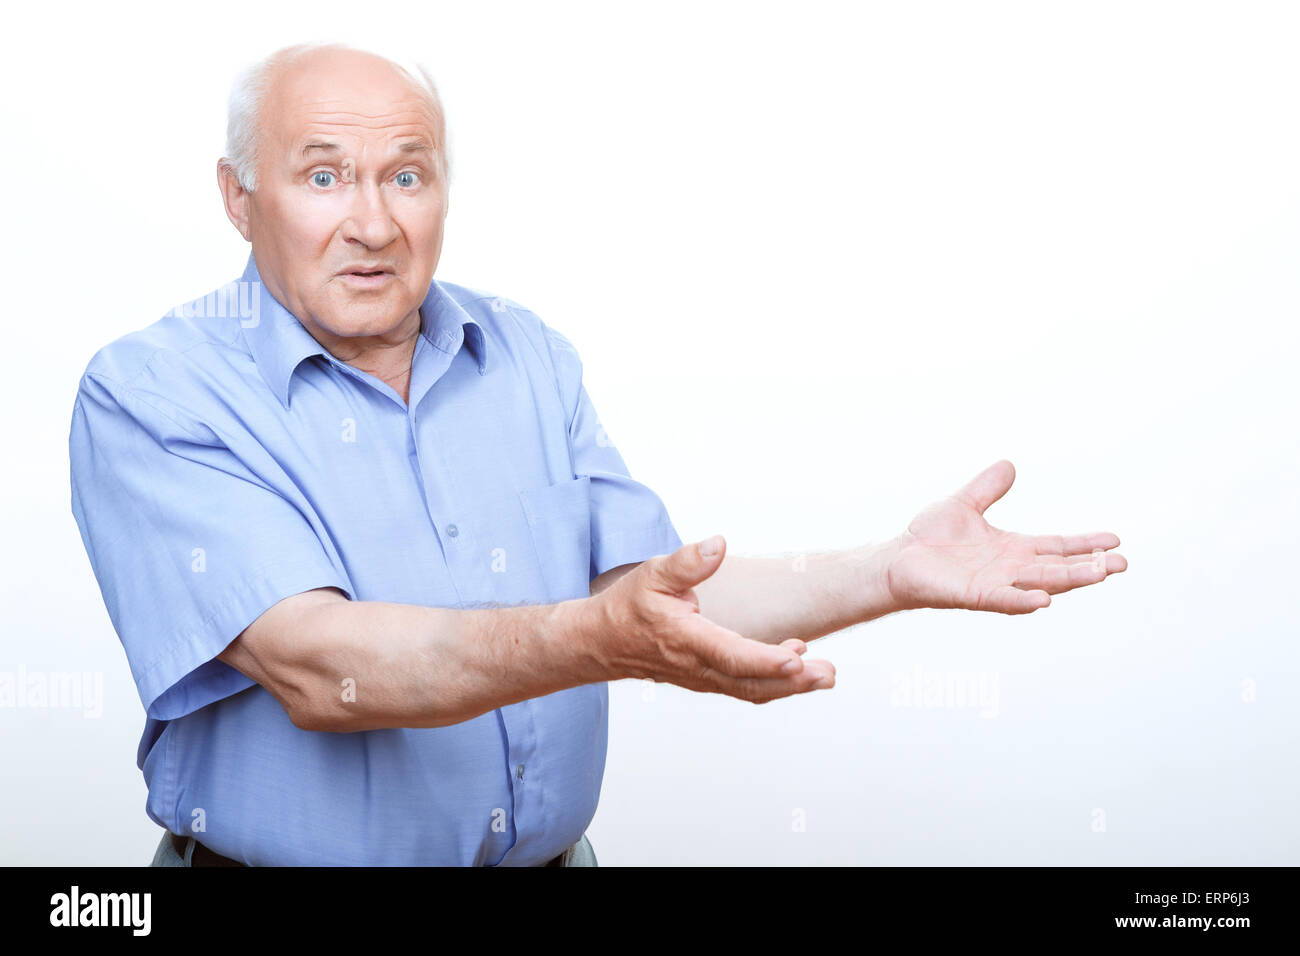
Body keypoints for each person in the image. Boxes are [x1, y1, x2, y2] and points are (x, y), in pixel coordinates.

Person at [67, 41, 1126, 867]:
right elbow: (324, 665)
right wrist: (596, 639)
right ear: (237, 196)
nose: (374, 222)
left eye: (406, 174)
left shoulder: (523, 354)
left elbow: (651, 596)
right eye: (325, 175)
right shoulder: (153, 392)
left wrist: (885, 569)